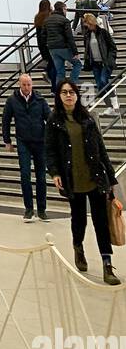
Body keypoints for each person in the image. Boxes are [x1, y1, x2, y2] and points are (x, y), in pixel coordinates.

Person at [45, 80, 121, 285]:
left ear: (77, 95)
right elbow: (50, 151)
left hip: (95, 178)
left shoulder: (87, 118)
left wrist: (111, 177)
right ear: (59, 96)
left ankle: (107, 264)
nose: (69, 95)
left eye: (72, 92)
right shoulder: (54, 121)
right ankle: (78, 247)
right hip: (73, 180)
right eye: (64, 92)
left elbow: (101, 148)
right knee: (79, 220)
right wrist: (54, 173)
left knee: (101, 222)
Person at [2, 73, 50, 221]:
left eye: (29, 84)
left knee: (41, 176)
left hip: (40, 141)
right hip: (23, 141)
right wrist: (7, 140)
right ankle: (29, 208)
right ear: (19, 85)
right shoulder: (12, 100)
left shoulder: (40, 100)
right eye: (24, 84)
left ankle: (42, 209)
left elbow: (50, 118)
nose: (27, 87)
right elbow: (6, 120)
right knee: (25, 175)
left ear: (32, 84)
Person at [80, 13, 118, 109]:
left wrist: (110, 59)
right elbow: (87, 49)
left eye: (87, 24)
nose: (86, 26)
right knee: (100, 85)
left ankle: (113, 98)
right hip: (95, 63)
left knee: (103, 80)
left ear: (91, 22)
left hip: (105, 62)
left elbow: (113, 47)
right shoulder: (87, 35)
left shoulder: (103, 33)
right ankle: (110, 107)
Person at [43, 0, 80, 88]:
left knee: (60, 71)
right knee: (78, 64)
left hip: (52, 48)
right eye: (65, 9)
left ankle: (60, 90)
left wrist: (48, 44)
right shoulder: (65, 20)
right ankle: (71, 85)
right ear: (62, 9)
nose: (66, 11)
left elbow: (43, 35)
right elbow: (70, 37)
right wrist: (75, 52)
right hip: (63, 47)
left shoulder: (47, 20)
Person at [33, 0, 57, 91]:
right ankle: (54, 86)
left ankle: (47, 72)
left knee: (50, 63)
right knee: (54, 65)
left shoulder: (38, 17)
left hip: (41, 44)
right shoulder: (50, 16)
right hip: (50, 43)